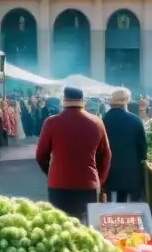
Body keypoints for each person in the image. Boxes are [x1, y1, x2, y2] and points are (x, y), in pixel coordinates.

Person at [35, 86, 111, 222]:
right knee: (87, 226)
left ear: (64, 100)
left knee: (61, 225)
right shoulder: (97, 122)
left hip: (59, 183)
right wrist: (99, 180)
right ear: (83, 101)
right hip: (88, 183)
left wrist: (52, 172)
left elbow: (41, 155)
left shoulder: (51, 122)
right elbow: (106, 155)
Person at [102, 88, 147, 203]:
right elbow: (143, 148)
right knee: (132, 205)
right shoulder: (135, 120)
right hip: (131, 171)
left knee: (112, 203)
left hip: (109, 170)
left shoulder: (103, 120)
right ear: (127, 100)